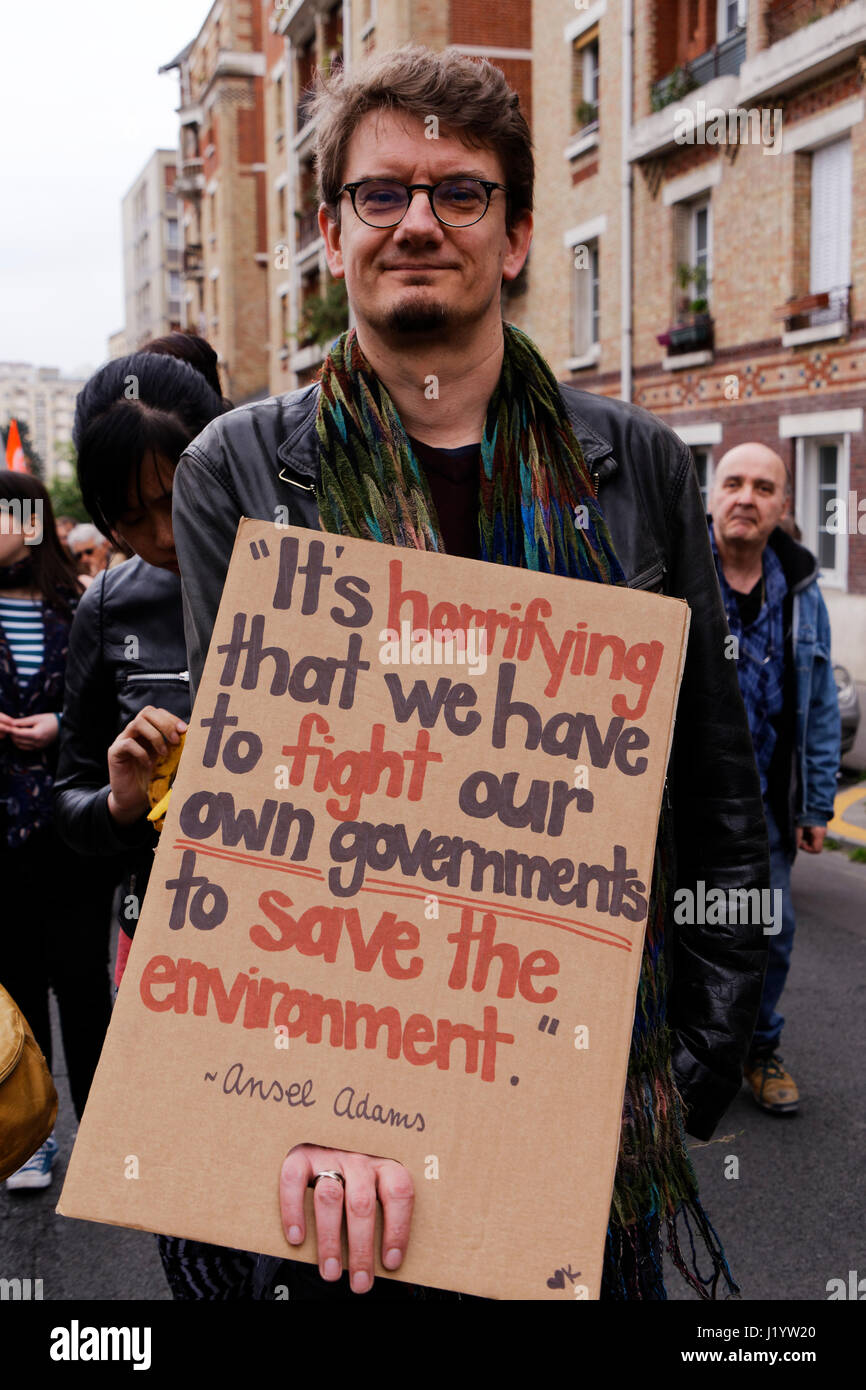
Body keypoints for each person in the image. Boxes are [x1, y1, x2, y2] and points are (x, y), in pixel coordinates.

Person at [171, 46, 769, 1300]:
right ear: (331, 237)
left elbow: (716, 786)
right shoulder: (237, 472)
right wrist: (318, 1103)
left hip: (595, 1094)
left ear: (515, 239)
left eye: (460, 191)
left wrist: (694, 1057)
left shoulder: (638, 465)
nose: (418, 223)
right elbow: (250, 828)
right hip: (339, 1136)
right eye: (381, 194)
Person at [53, 338, 254, 1297]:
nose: (162, 536)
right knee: (197, 1210)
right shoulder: (108, 606)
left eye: (174, 500)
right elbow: (68, 801)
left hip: (330, 950)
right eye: (128, 520)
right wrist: (124, 805)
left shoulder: (315, 562)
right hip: (168, 950)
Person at [709, 443, 840, 1115]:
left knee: (771, 931)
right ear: (711, 495)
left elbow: (818, 705)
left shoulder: (802, 592)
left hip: (765, 806)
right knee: (682, 930)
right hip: (688, 807)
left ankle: (758, 1048)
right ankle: (681, 1054)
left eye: (764, 487)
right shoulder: (676, 573)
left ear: (782, 507)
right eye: (733, 482)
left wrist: (816, 803)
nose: (747, 497)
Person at [0, 470, 114, 1189]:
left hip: (73, 827)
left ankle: (104, 1132)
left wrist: (64, 725)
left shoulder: (85, 606)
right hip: (2, 833)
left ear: (32, 522)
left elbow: (113, 706)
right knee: (16, 978)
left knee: (83, 983)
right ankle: (30, 1133)